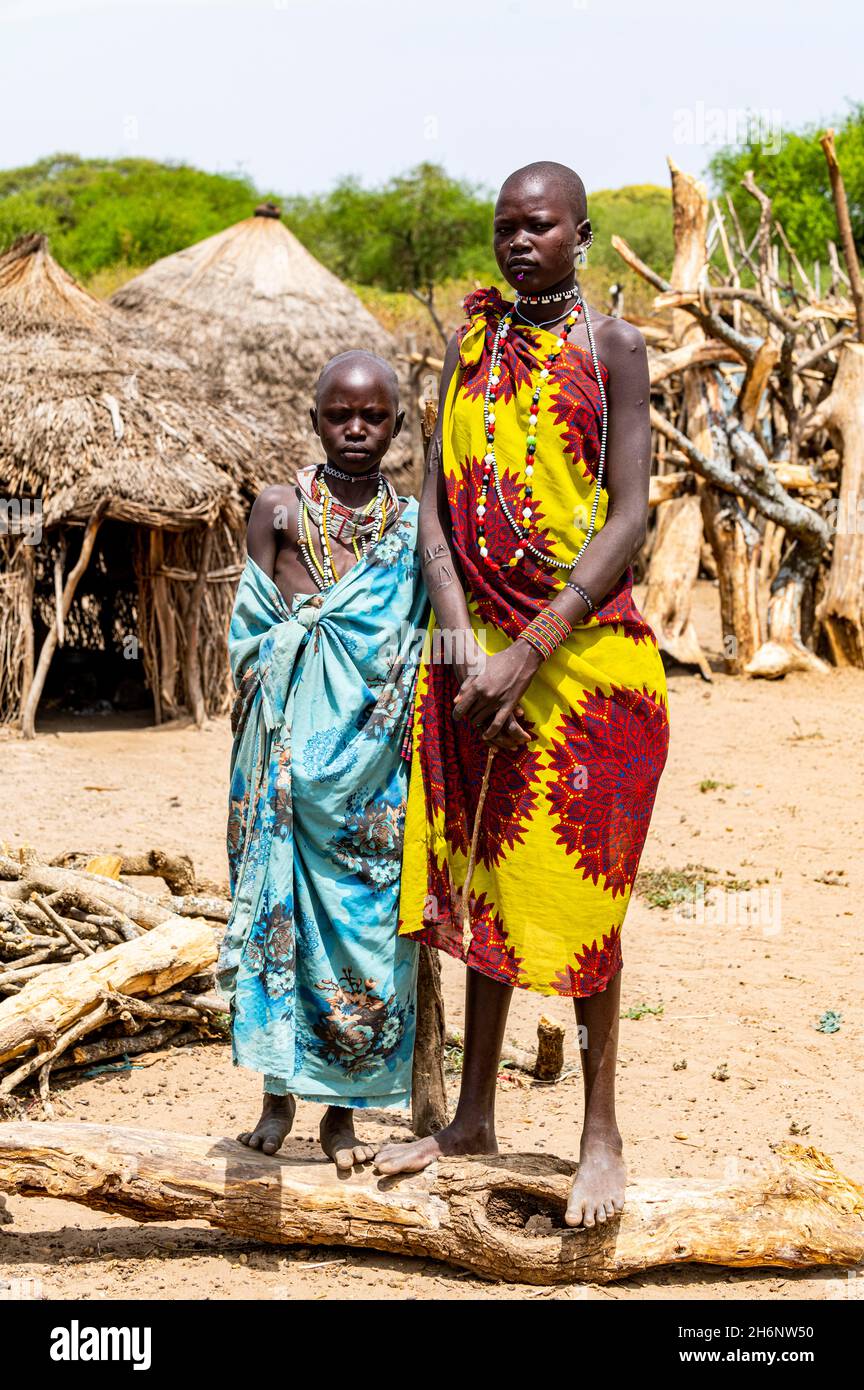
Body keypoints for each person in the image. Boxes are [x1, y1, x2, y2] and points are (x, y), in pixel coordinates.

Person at [374, 162, 670, 1228]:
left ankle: (601, 1131)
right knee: (484, 885)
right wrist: (461, 646)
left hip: (585, 668)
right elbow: (436, 514)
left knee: (585, 903)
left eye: (537, 226)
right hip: (471, 664)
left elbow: (627, 517)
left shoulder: (615, 349)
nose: (517, 241)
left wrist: (532, 646)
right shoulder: (469, 346)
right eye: (504, 226)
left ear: (581, 235)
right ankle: (473, 1116)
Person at [216, 350, 428, 1171]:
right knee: (278, 929)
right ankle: (275, 1098)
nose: (356, 430)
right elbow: (246, 640)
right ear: (314, 421)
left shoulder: (414, 528)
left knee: (367, 937)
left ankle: (342, 1112)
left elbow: (417, 642)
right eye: (340, 415)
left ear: (398, 427)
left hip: (371, 778)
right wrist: (300, 635)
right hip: (276, 772)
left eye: (373, 417)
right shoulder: (275, 511)